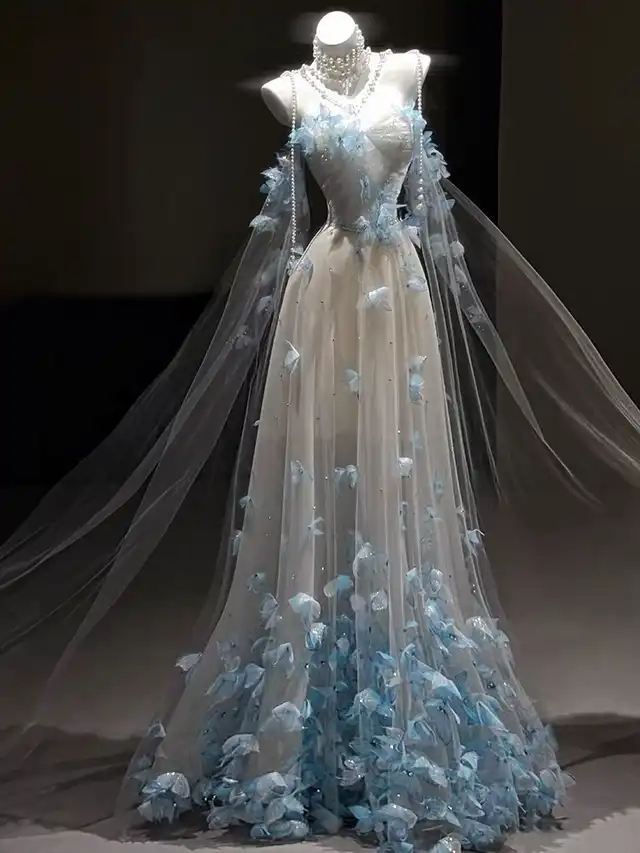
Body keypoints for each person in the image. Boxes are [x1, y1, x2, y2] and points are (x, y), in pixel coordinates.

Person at [2, 11, 640, 853]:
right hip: (329, 298)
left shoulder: (408, 69)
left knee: (395, 474)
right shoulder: (291, 90)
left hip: (397, 300)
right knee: (320, 476)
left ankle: (401, 705)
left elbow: (425, 204)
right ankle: (308, 711)